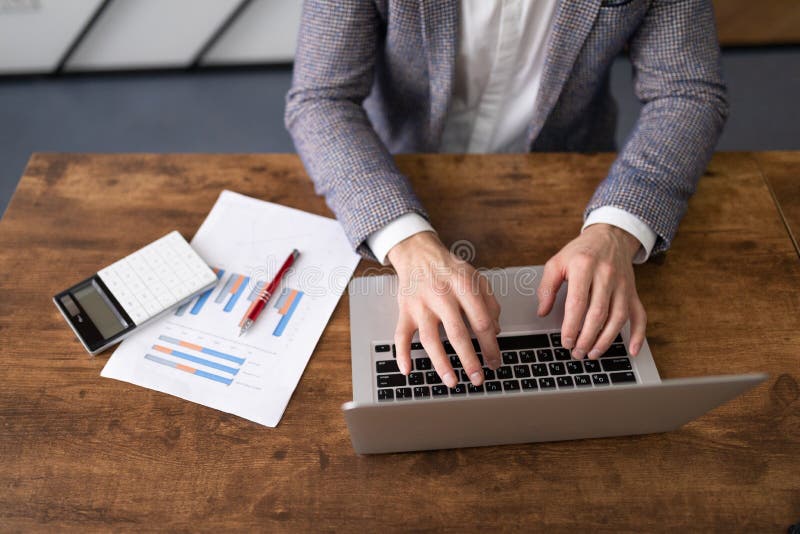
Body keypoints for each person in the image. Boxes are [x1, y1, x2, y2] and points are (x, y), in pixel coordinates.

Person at [285, 0, 728, 389]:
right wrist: (405, 240)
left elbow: (687, 92)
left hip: (569, 178)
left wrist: (617, 229)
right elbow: (321, 99)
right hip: (399, 169)